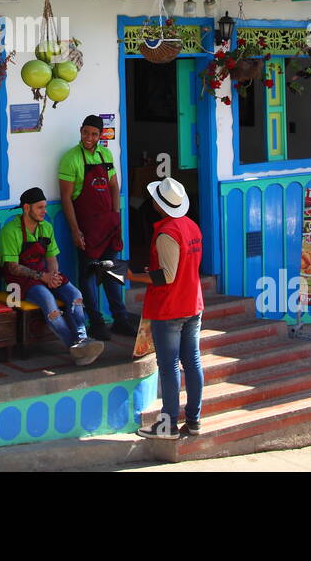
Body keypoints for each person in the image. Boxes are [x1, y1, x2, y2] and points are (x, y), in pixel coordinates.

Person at [127, 176, 203, 438]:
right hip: (193, 303)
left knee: (169, 364)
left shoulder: (166, 233)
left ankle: (168, 423)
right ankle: (193, 420)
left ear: (159, 205)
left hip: (170, 308)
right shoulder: (191, 227)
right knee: (192, 362)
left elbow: (166, 277)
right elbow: (182, 267)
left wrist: (132, 276)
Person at [1, 187, 105, 366]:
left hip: (46, 275)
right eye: (40, 207)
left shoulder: (46, 227)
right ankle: (74, 346)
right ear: (26, 208)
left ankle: (82, 340)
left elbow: (51, 257)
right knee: (49, 302)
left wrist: (54, 275)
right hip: (21, 282)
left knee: (75, 295)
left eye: (45, 207)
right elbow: (13, 267)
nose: (44, 211)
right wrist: (42, 277)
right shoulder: (10, 230)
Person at [58, 115, 137, 342]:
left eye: (94, 134)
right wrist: (75, 230)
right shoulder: (70, 159)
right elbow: (66, 198)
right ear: (80, 131)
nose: (89, 138)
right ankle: (96, 322)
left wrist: (116, 219)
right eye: (86, 133)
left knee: (112, 272)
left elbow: (114, 187)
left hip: (109, 225)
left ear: (100, 136)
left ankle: (120, 319)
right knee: (89, 275)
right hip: (87, 227)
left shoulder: (106, 155)